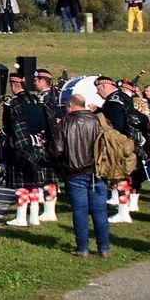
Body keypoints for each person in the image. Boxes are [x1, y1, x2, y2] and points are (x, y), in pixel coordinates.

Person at [53, 84, 109, 257]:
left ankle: (82, 247)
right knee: (100, 210)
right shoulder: (98, 121)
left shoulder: (66, 123)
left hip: (74, 171)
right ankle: (104, 248)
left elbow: (57, 150)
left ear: (70, 105)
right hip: (97, 170)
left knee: (80, 210)